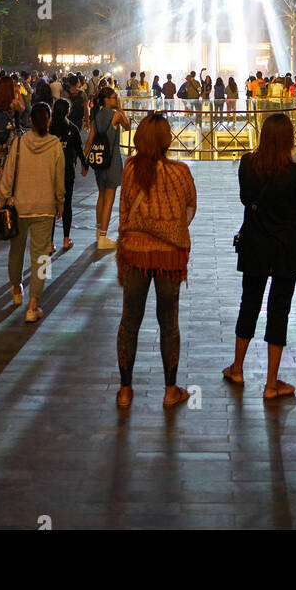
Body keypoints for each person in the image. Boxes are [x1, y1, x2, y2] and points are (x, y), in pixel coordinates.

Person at [115, 114, 197, 409]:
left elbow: (124, 207)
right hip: (169, 258)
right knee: (168, 322)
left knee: (130, 321)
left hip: (135, 254)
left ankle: (125, 391)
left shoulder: (130, 170)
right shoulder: (180, 172)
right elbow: (190, 210)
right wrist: (171, 227)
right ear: (165, 140)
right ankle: (170, 390)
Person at [223, 112, 296, 399]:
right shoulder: (293, 173)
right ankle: (272, 382)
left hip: (255, 244)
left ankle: (237, 366)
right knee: (278, 310)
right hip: (285, 247)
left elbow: (246, 198)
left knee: (250, 303)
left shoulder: (247, 164)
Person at [0, 102, 65, 324]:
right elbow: (59, 179)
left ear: (30, 121)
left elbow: (8, 174)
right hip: (45, 208)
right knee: (42, 257)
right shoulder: (55, 145)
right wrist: (60, 201)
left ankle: (16, 291)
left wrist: (2, 199)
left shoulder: (19, 143)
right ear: (48, 120)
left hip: (19, 206)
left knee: (15, 251)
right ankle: (33, 305)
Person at [84, 86, 131, 249]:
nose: (116, 99)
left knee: (101, 196)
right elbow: (128, 126)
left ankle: (99, 232)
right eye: (113, 97)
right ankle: (103, 237)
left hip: (98, 160)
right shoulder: (116, 115)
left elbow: (89, 140)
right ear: (106, 99)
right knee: (109, 199)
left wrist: (85, 162)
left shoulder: (96, 116)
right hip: (112, 160)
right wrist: (120, 109)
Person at [48, 97, 87, 253]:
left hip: (50, 173)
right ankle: (66, 239)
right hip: (67, 172)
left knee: (50, 207)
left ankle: (49, 243)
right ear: (68, 111)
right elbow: (78, 149)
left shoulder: (48, 128)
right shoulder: (72, 128)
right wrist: (84, 166)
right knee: (67, 204)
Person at [0, 75, 24, 205]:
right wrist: (18, 92)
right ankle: (1, 196)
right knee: (4, 166)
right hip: (7, 137)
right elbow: (23, 108)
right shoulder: (13, 102)